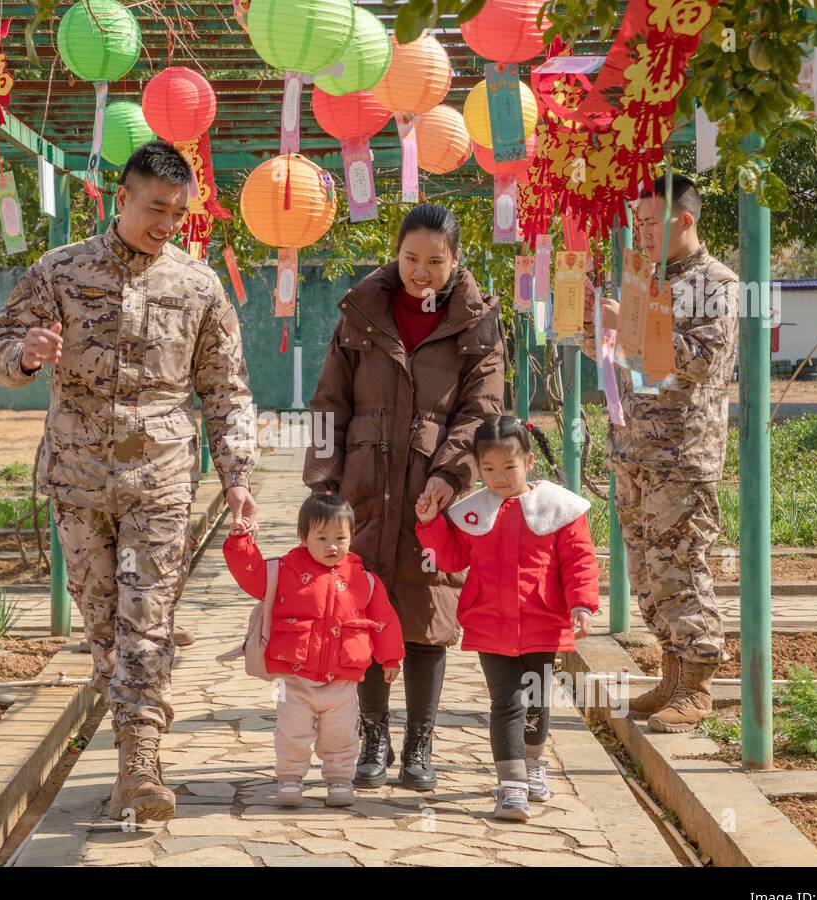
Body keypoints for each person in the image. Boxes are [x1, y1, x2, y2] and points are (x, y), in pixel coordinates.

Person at [0, 142, 258, 822]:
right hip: (76, 478)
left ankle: (139, 767)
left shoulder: (197, 287)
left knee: (146, 621)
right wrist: (25, 355)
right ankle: (131, 750)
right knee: (105, 626)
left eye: (178, 213)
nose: (167, 223)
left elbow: (226, 389)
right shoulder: (59, 270)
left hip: (159, 478)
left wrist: (239, 475)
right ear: (120, 200)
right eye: (155, 208)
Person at [304, 203, 505, 791]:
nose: (422, 272)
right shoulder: (361, 313)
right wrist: (324, 481)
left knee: (425, 614)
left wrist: (449, 476)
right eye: (411, 258)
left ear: (456, 260)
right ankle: (374, 738)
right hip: (364, 487)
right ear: (396, 254)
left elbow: (481, 411)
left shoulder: (478, 323)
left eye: (435, 262)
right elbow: (327, 403)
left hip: (430, 493)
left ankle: (420, 743)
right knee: (363, 613)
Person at [582, 173, 738, 732]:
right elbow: (620, 353)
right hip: (635, 449)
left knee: (683, 565)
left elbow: (697, 360)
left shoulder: (714, 283)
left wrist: (628, 322)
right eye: (639, 221)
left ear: (684, 220)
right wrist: (590, 320)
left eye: (650, 221)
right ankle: (672, 674)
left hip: (681, 453)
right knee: (649, 570)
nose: (641, 231)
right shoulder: (643, 278)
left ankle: (697, 686)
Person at [414, 415, 599, 819]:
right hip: (488, 624)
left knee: (535, 701)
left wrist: (582, 604)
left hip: (543, 622)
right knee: (507, 701)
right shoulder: (472, 512)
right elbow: (451, 558)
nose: (499, 478)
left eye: (509, 467)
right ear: (478, 468)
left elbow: (579, 560)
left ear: (529, 462)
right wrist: (429, 525)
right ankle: (511, 786)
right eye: (489, 469)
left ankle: (535, 765)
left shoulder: (559, 509)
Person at [223, 492, 404, 808]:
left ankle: (339, 780)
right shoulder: (285, 571)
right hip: (295, 679)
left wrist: (390, 656)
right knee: (292, 734)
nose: (332, 546)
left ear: (352, 536)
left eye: (340, 538)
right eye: (321, 538)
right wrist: (241, 542)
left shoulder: (363, 579)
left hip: (342, 682)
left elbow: (383, 618)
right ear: (303, 537)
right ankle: (290, 779)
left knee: (342, 736)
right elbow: (251, 576)